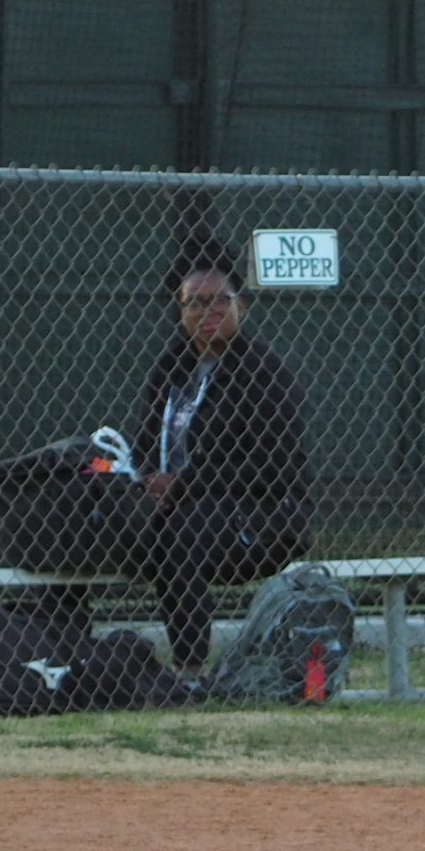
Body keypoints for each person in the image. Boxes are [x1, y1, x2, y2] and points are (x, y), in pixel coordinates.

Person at [129, 240, 315, 675]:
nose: (206, 311)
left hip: (263, 512)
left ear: (240, 305)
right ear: (180, 311)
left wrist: (184, 486)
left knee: (182, 534)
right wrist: (144, 480)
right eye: (193, 303)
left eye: (218, 301)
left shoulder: (263, 372)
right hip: (175, 505)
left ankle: (189, 670)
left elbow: (275, 466)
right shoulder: (171, 368)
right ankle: (63, 657)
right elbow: (143, 441)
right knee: (100, 525)